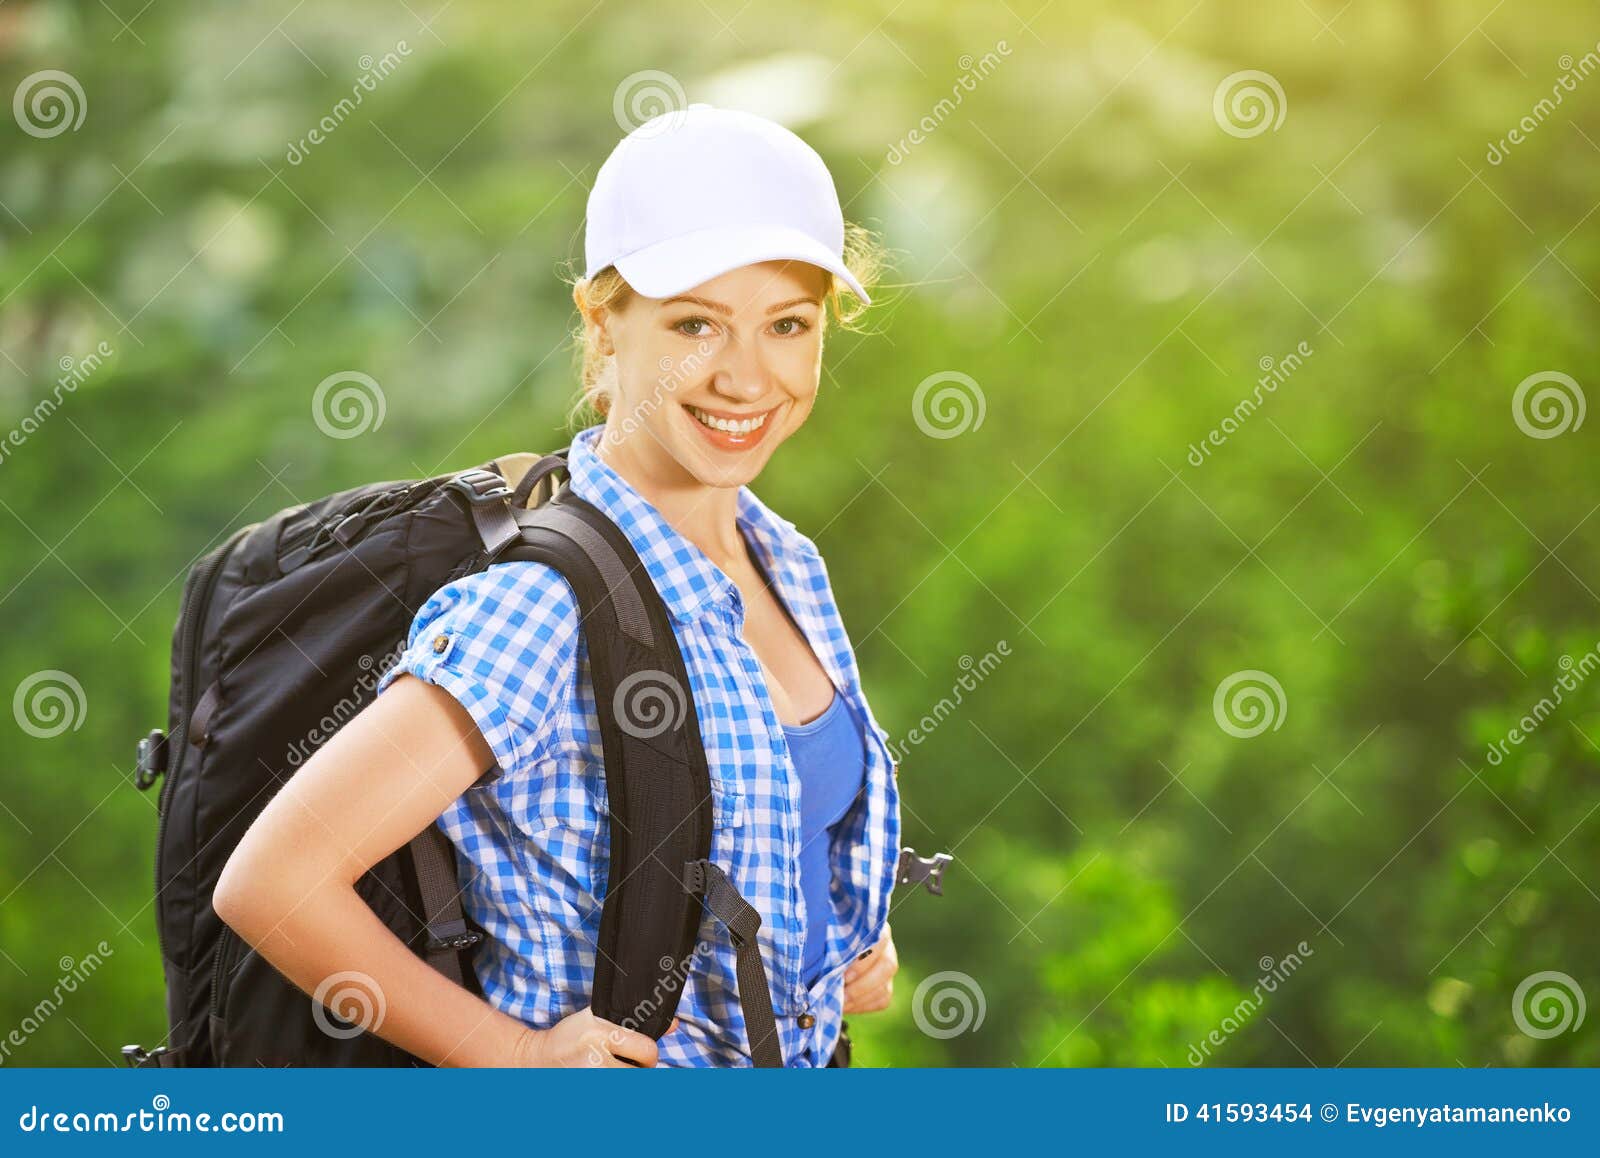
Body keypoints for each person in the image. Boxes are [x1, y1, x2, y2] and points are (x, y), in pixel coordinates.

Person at [215, 103, 902, 1067]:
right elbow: (273, 881)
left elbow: (777, 827)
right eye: (696, 324)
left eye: (786, 324)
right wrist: (514, 1059)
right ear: (603, 324)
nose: (749, 378)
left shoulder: (786, 564)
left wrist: (835, 946)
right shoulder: (544, 608)